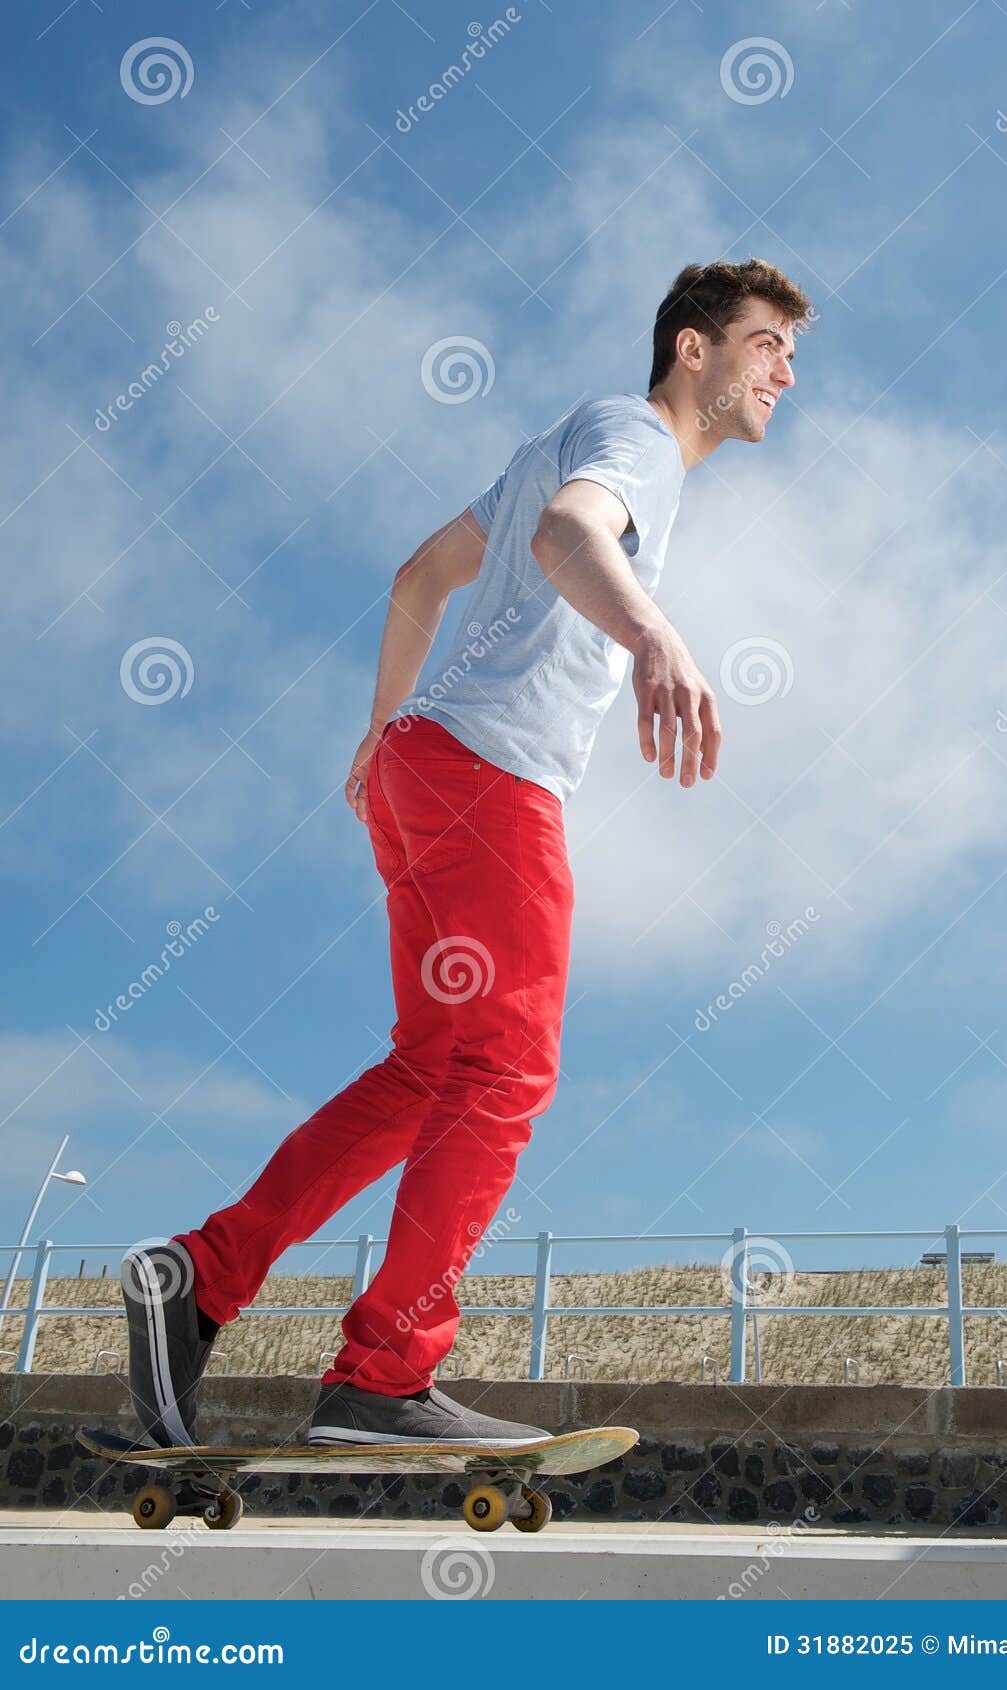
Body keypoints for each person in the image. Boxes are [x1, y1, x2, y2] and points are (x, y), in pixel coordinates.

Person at [122, 258, 812, 1448]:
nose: (785, 373)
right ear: (694, 350)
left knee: (431, 1069)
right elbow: (565, 534)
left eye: (792, 355)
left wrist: (381, 731)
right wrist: (654, 633)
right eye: (765, 345)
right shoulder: (637, 441)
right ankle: (384, 1374)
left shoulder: (564, 437)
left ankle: (201, 1276)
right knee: (504, 1071)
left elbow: (415, 579)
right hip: (492, 782)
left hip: (424, 766)